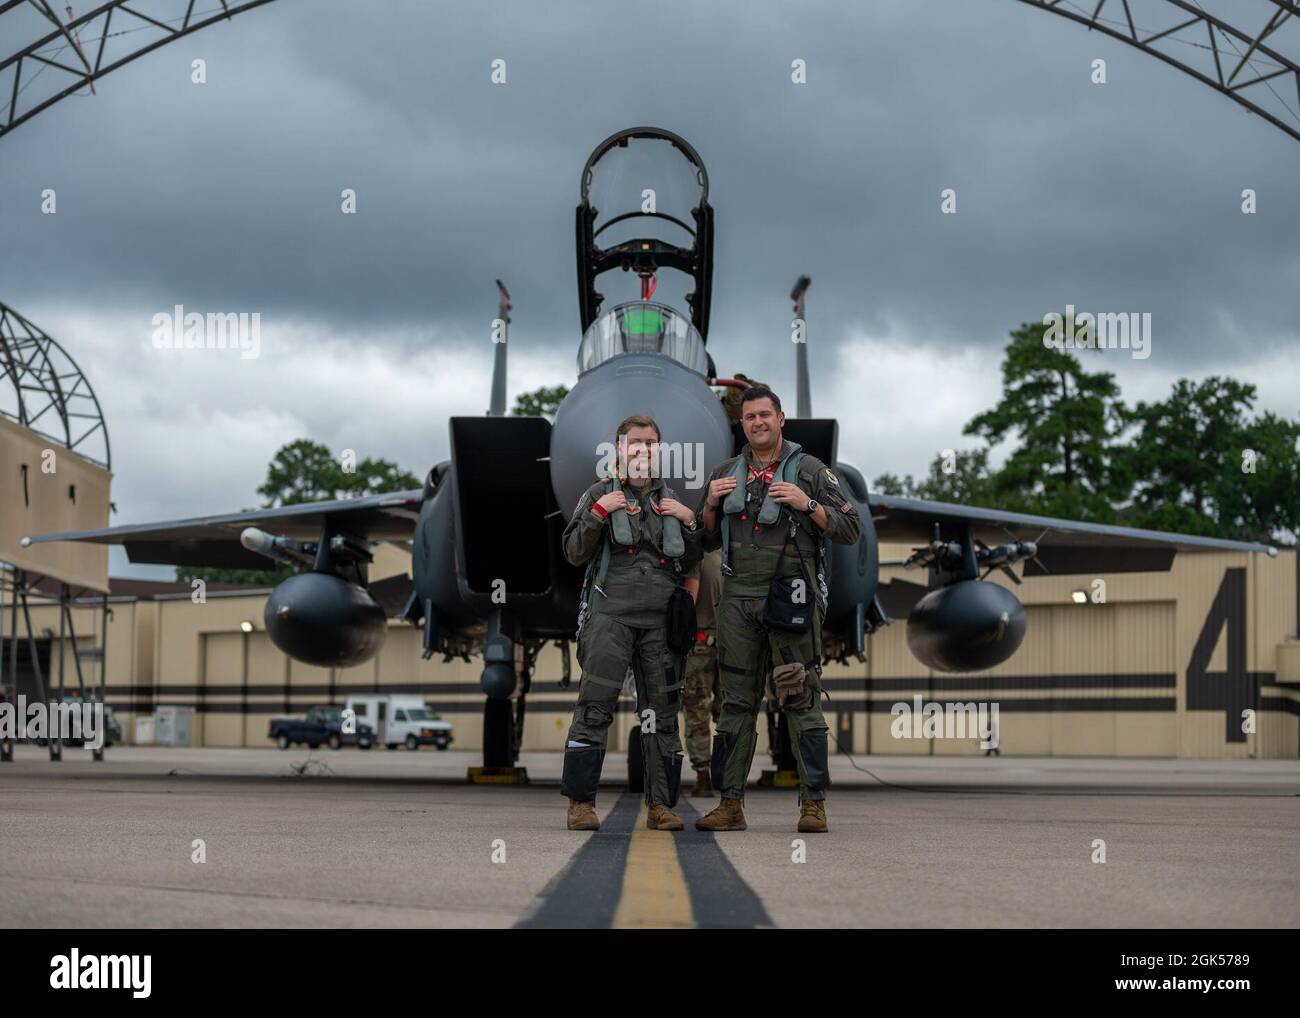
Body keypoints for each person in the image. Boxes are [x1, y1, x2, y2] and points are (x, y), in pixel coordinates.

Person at [694, 386, 860, 833]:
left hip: (791, 598)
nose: (757, 423)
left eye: (765, 415)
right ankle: (730, 804)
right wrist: (709, 505)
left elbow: (850, 527)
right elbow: (702, 541)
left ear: (781, 418)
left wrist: (808, 505)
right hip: (738, 600)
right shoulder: (726, 472)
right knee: (734, 704)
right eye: (749, 417)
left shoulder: (810, 471)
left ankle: (813, 805)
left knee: (799, 696)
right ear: (742, 424)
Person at [560, 414, 702, 831]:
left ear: (660, 450)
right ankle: (581, 804)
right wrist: (599, 513)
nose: (643, 449)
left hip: (660, 621)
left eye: (651, 443)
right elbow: (573, 552)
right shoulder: (597, 495)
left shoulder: (673, 502)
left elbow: (693, 562)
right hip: (611, 615)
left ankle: (661, 806)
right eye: (635, 442)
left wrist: (690, 522)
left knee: (661, 713)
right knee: (595, 706)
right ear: (619, 449)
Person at [681, 550, 722, 796]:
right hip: (732, 645)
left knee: (697, 713)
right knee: (731, 713)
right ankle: (729, 774)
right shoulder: (735, 555)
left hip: (699, 644)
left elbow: (689, 600)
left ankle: (703, 776)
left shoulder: (696, 558)